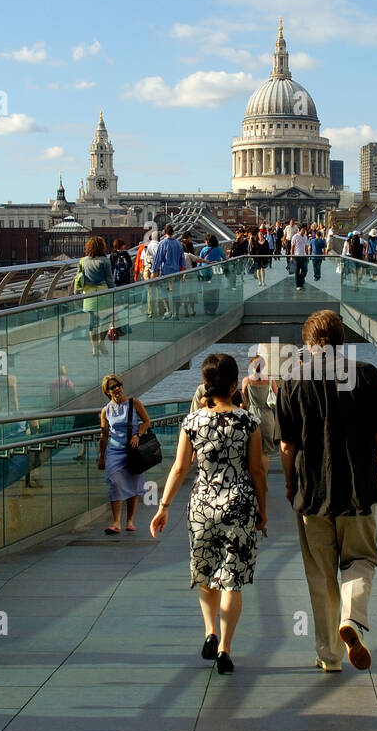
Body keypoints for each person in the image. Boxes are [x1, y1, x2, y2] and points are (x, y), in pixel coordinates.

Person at [277, 310, 377, 673]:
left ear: (307, 344)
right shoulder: (366, 375)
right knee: (361, 560)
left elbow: (286, 445)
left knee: (321, 575)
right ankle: (352, 617)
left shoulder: (292, 380)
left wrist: (289, 484)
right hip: (359, 488)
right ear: (342, 341)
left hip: (312, 493)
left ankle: (329, 655)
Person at [150, 354, 267, 675]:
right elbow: (257, 471)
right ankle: (225, 649)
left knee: (205, 572)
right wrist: (263, 512)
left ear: (205, 384)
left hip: (202, 505)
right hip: (239, 505)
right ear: (233, 385)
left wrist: (163, 508)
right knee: (232, 580)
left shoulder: (192, 422)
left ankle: (209, 632)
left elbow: (179, 468)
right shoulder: (249, 423)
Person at [98, 374, 150, 534]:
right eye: (112, 387)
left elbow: (147, 421)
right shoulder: (106, 410)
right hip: (114, 450)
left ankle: (130, 521)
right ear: (107, 392)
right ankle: (115, 522)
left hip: (132, 449)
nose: (116, 388)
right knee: (115, 482)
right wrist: (102, 456)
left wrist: (138, 434)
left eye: (118, 385)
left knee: (133, 484)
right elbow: (104, 434)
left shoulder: (134, 403)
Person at [74, 235, 115, 356]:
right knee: (107, 319)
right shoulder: (105, 261)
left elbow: (78, 279)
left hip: (89, 295)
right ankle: (101, 342)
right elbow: (109, 280)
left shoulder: (82, 261)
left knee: (93, 323)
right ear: (102, 247)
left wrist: (76, 294)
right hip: (104, 293)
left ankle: (94, 348)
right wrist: (115, 292)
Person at [241, 352, 278, 466]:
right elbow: (276, 398)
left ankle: (254, 477)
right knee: (265, 452)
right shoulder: (270, 380)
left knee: (252, 450)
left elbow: (244, 402)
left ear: (252, 366)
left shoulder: (246, 381)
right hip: (267, 417)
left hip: (252, 416)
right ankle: (264, 475)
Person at [153, 224, 185, 319]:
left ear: (165, 232)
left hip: (165, 273)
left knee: (164, 293)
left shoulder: (162, 243)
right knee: (176, 293)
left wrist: (154, 271)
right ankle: (176, 313)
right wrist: (183, 271)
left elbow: (158, 258)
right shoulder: (178, 244)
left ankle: (168, 311)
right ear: (173, 232)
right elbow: (182, 259)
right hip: (177, 272)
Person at [199, 234, 225, 314]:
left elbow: (200, 260)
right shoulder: (218, 249)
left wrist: (198, 270)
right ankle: (213, 309)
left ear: (208, 241)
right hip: (215, 272)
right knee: (215, 291)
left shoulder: (204, 249)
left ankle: (206, 309)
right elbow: (224, 258)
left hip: (205, 271)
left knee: (205, 291)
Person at [291, 225, 310, 290]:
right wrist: (291, 256)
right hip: (297, 256)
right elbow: (292, 247)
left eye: (305, 230)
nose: (304, 231)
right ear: (300, 229)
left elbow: (306, 247)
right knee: (297, 271)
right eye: (303, 229)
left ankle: (301, 281)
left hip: (304, 256)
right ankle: (298, 285)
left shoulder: (305, 237)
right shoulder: (295, 236)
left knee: (305, 270)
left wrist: (307, 256)